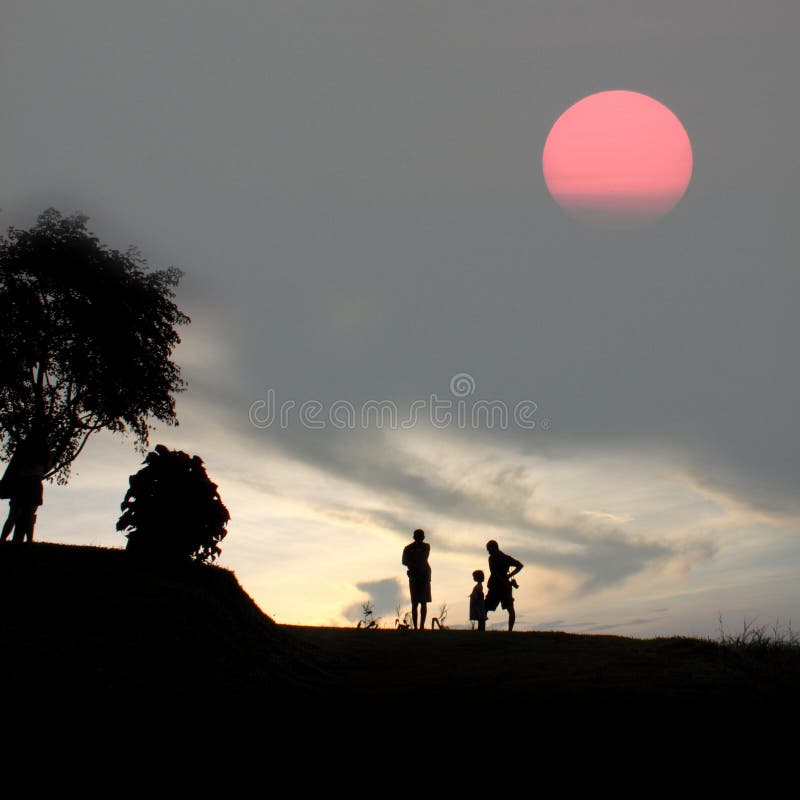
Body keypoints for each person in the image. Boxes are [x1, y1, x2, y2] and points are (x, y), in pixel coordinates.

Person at [484, 540, 523, 631]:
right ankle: (510, 631)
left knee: (485, 607)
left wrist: (507, 577)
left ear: (494, 548)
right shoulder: (506, 558)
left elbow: (494, 572)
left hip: (496, 586)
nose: (488, 551)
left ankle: (482, 629)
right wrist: (507, 577)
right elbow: (520, 565)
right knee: (510, 610)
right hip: (505, 586)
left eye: (489, 549)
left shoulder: (492, 558)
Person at [402, 528, 431, 630]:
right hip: (414, 576)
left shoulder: (426, 546)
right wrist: (412, 565)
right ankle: (415, 627)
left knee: (423, 602)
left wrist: (413, 563)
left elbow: (423, 557)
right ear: (414, 537)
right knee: (415, 603)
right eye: (418, 536)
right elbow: (404, 561)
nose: (419, 538)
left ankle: (421, 626)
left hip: (424, 576)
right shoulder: (408, 548)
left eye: (420, 536)